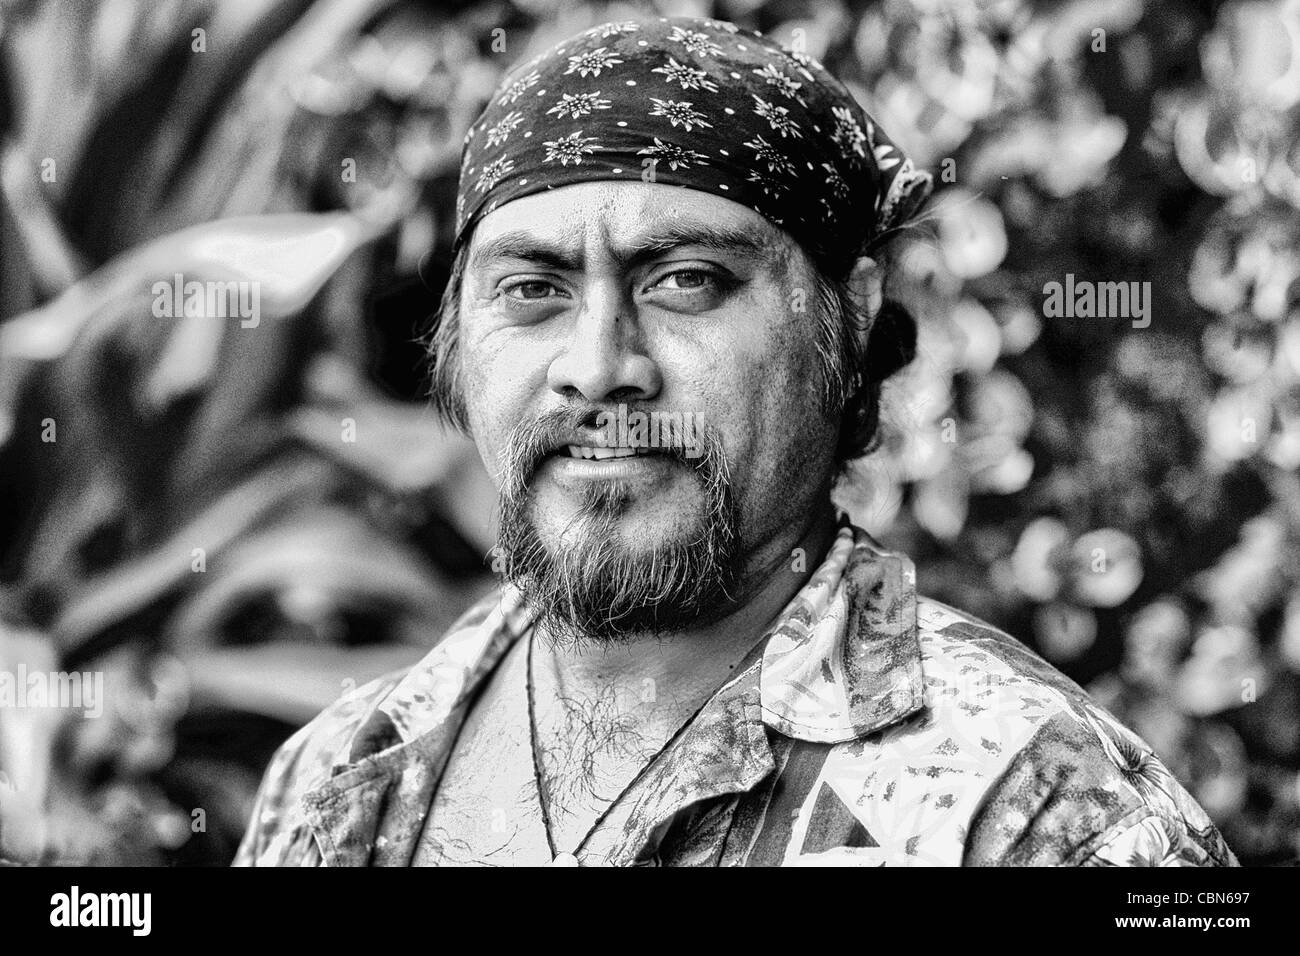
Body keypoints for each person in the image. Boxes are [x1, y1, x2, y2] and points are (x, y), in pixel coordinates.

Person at [235, 15, 1236, 867]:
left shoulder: (1039, 807)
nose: (597, 364)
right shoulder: (337, 775)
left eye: (685, 280)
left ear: (848, 319)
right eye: (532, 288)